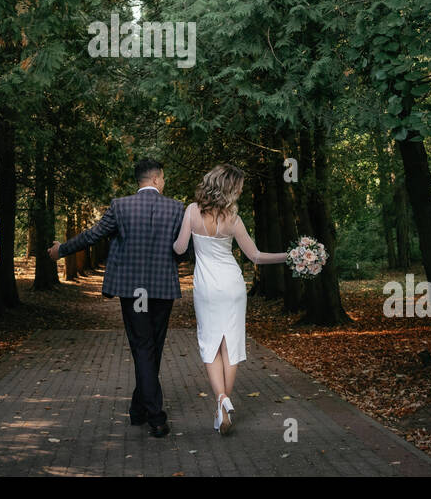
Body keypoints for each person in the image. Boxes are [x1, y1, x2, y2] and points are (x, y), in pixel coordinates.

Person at [49, 158, 185, 437]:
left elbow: (92, 236)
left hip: (134, 291)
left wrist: (62, 249)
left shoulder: (120, 206)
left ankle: (143, 410)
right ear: (157, 179)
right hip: (162, 289)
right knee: (152, 346)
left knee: (144, 347)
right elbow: (183, 250)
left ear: (141, 180)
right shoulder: (177, 208)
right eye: (164, 178)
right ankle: (152, 415)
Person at [173, 164, 288, 435]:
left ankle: (221, 399)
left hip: (207, 288)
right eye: (239, 186)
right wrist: (289, 256)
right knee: (231, 345)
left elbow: (179, 248)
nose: (242, 190)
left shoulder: (191, 211)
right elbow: (256, 256)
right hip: (233, 285)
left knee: (210, 342)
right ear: (230, 187)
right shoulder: (233, 218)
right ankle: (223, 407)